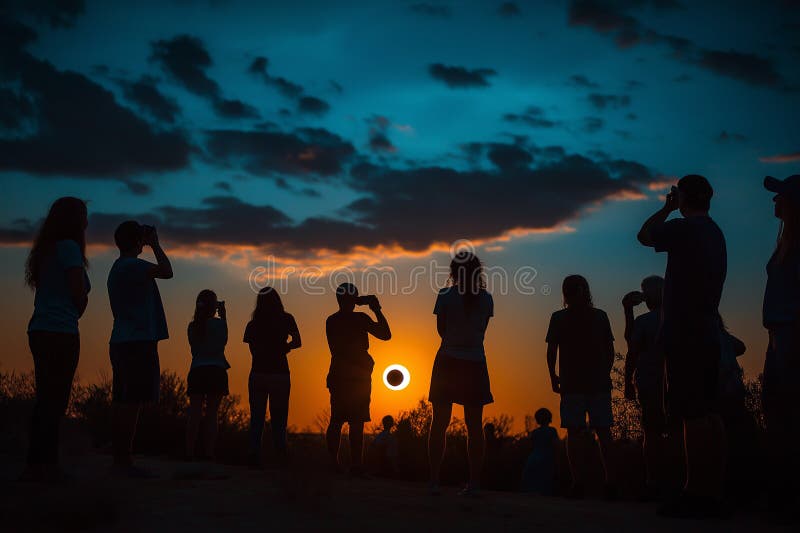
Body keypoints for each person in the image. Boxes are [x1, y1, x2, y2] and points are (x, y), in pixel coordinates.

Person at [638, 174, 727, 518]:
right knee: (709, 412)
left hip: (685, 332)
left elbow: (644, 235)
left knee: (690, 415)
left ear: (684, 196)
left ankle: (695, 492)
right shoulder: (715, 232)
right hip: (706, 329)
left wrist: (666, 207)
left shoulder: (685, 229)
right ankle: (713, 491)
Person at [22, 197, 89, 481]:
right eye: (84, 216)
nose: (87, 222)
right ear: (75, 220)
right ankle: (48, 466)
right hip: (61, 331)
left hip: (39, 328)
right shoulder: (70, 249)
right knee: (55, 401)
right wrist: (80, 305)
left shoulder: (46, 251)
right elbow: (77, 290)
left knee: (45, 399)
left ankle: (36, 464)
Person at [107, 221, 172, 477]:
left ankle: (121, 456)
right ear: (137, 241)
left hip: (123, 339)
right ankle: (123, 459)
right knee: (131, 402)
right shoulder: (133, 266)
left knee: (124, 400)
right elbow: (167, 271)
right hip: (136, 341)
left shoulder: (118, 267)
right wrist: (155, 244)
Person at [428, 251, 494, 496]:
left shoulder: (445, 295)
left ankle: (434, 481)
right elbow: (483, 329)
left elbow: (441, 330)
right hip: (475, 362)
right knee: (474, 426)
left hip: (447, 360)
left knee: (439, 423)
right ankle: (474, 483)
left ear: (454, 272)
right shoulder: (487, 299)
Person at [546, 275, 616, 499]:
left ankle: (579, 483)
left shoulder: (558, 318)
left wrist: (553, 377)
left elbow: (551, 352)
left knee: (575, 433)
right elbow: (610, 350)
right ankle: (610, 482)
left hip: (572, 384)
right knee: (603, 433)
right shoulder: (600, 316)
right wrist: (604, 371)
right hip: (596, 383)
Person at [761, 174, 800, 517]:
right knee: (776, 412)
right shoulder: (785, 242)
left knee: (788, 414)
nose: (774, 202)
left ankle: (787, 499)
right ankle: (780, 495)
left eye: (780, 197)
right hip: (777, 336)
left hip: (791, 336)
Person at [325, 283, 391, 476]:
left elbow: (386, 335)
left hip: (341, 374)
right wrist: (376, 309)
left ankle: (337, 463)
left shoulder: (332, 320)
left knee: (338, 420)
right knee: (354, 421)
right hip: (356, 376)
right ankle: (355, 465)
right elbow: (386, 334)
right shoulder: (358, 319)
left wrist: (368, 306)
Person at [243, 287, 301, 467]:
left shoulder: (253, 324)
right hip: (280, 373)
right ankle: (280, 458)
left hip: (258, 372)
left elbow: (252, 351)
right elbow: (298, 341)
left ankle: (254, 456)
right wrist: (285, 348)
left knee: (257, 418)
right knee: (279, 419)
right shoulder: (286, 318)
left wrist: (265, 352)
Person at [622, 275, 666, 497]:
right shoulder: (681, 316)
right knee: (677, 429)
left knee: (651, 431)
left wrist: (628, 311)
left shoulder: (645, 322)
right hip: (673, 381)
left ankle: (653, 481)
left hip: (650, 382)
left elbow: (632, 347)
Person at [185, 290, 229, 462]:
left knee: (194, 414)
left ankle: (189, 451)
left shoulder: (192, 326)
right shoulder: (219, 324)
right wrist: (224, 316)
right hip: (216, 370)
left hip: (197, 370)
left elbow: (194, 349)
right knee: (212, 414)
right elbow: (223, 341)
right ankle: (209, 453)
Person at [521, 408, 558, 495]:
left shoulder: (535, 432)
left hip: (533, 458)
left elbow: (529, 446)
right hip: (547, 458)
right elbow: (556, 445)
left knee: (532, 481)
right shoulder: (552, 431)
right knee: (545, 480)